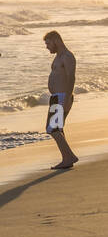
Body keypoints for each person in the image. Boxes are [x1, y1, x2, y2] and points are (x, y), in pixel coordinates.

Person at [44, 31, 77, 169]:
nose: (47, 47)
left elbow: (71, 78)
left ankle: (69, 157)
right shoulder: (58, 56)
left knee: (52, 129)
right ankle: (67, 157)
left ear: (56, 40)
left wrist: (67, 98)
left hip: (62, 97)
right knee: (58, 128)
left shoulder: (67, 56)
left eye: (48, 43)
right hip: (57, 97)